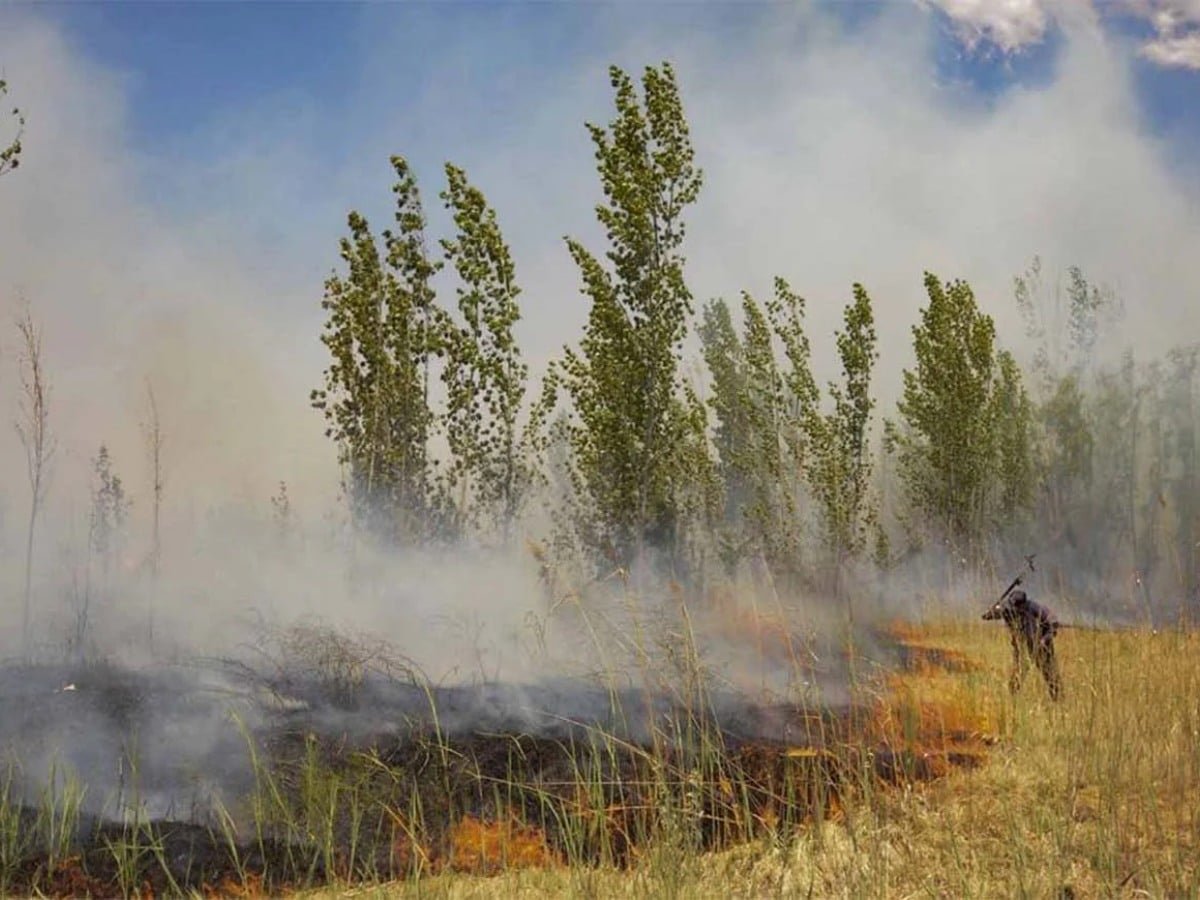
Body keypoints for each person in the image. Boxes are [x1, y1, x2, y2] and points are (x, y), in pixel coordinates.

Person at [982, 588, 1062, 701]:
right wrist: (993, 610)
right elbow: (987, 616)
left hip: (1042, 647)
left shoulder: (1035, 608)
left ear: (1024, 604)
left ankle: (1057, 700)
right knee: (1018, 675)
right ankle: (1012, 700)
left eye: (1019, 608)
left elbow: (1053, 625)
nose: (1016, 610)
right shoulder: (1007, 608)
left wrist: (1044, 640)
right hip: (1022, 647)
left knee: (1050, 675)